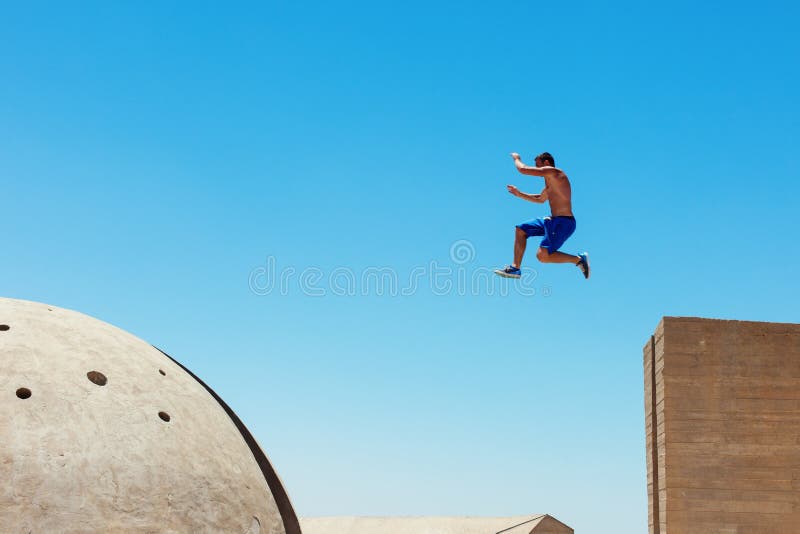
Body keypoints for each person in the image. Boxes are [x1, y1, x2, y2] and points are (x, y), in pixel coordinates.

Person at [494, 151, 590, 279]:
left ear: (546, 163)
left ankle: (578, 260)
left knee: (542, 256)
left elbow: (522, 169)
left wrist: (516, 158)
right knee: (521, 229)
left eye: (538, 166)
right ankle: (515, 268)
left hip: (564, 223)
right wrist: (519, 194)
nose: (537, 170)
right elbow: (540, 199)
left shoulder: (554, 172)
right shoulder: (550, 183)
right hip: (552, 220)